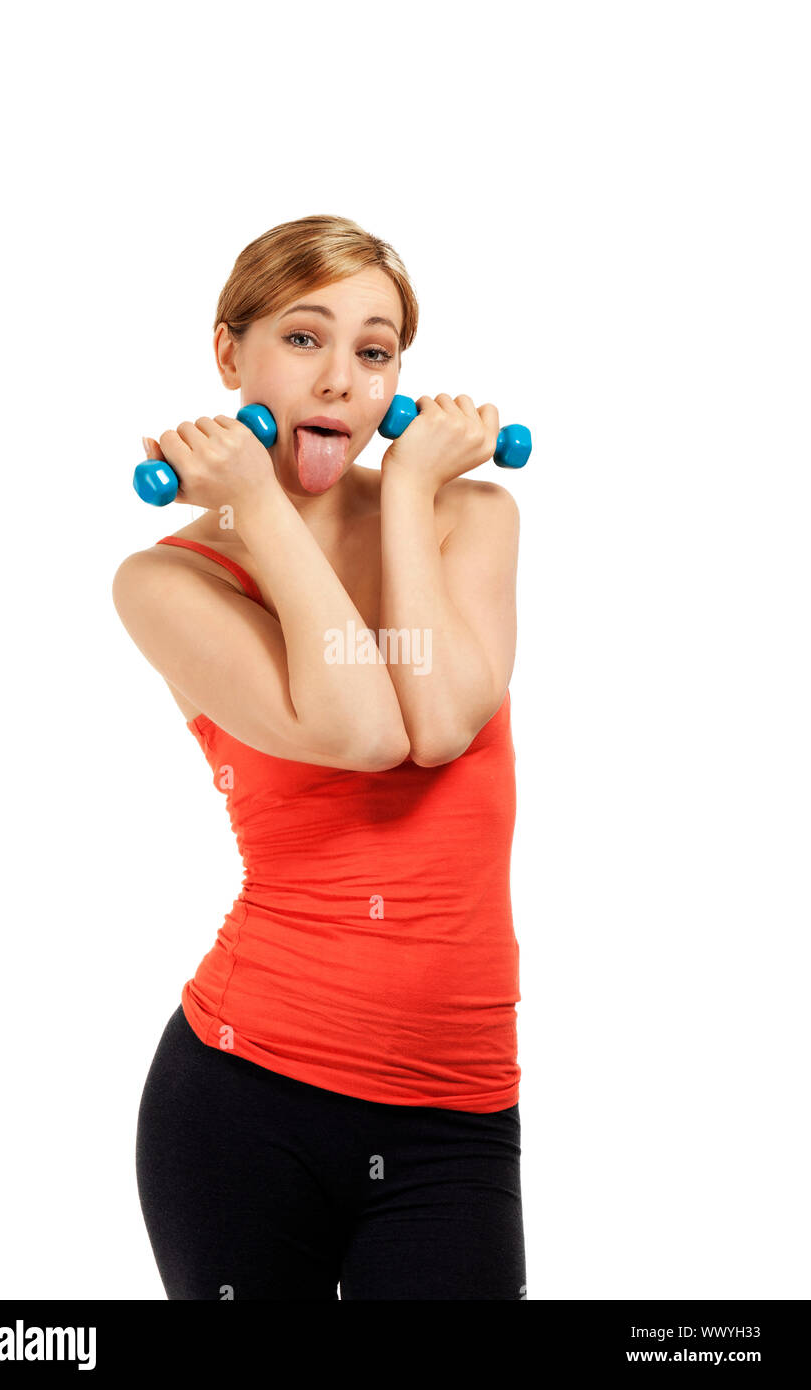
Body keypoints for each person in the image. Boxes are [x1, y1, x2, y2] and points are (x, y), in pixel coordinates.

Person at [112, 213, 526, 1300]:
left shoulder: (469, 516)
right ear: (229, 355)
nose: (339, 378)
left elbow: (434, 722)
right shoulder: (167, 585)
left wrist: (406, 490)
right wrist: (255, 501)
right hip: (242, 1098)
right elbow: (361, 730)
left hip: (457, 1110)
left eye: (375, 350)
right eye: (303, 339)